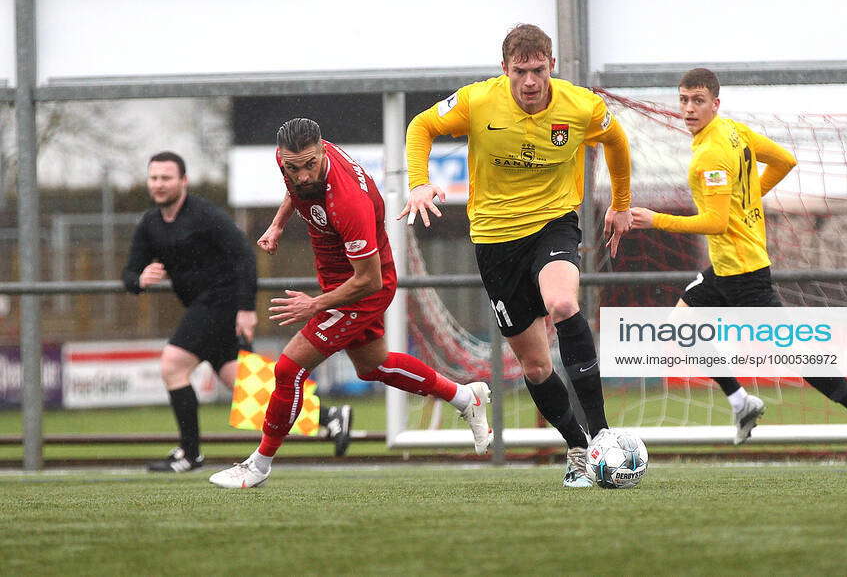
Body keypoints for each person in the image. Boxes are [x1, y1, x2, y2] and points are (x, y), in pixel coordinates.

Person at [629, 68, 847, 470]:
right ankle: (741, 402)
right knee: (678, 327)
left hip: (745, 275)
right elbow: (785, 160)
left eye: (698, 100)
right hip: (725, 269)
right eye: (684, 100)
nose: (688, 108)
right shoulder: (733, 131)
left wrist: (656, 219)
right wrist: (748, 198)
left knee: (797, 355)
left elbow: (716, 223)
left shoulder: (710, 155)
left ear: (714, 104)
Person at [400, 24, 633, 487]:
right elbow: (421, 125)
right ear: (503, 69)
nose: (530, 81)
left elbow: (617, 144)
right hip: (494, 241)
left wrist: (622, 205)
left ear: (552, 67)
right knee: (535, 364)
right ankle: (579, 447)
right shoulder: (477, 101)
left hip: (553, 223)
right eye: (521, 71)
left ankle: (604, 433)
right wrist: (418, 181)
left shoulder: (582, 106)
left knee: (564, 304)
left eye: (539, 70)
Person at [209, 119, 492, 488]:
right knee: (373, 366)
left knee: (288, 369)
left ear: (323, 150)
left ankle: (258, 465)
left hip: (363, 288)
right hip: (339, 280)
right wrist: (278, 224)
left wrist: (315, 306)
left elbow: (369, 280)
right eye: (293, 167)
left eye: (310, 165)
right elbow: (295, 190)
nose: (302, 175)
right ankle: (464, 396)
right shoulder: (293, 160)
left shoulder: (348, 201)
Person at [123, 151, 352, 472]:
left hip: (223, 303)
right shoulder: (150, 224)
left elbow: (244, 257)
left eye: (167, 178)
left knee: (173, 365)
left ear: (183, 181)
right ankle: (330, 417)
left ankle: (190, 454)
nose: (159, 184)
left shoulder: (204, 215)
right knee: (244, 387)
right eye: (154, 178)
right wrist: (140, 279)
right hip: (203, 308)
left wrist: (246, 309)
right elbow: (129, 274)